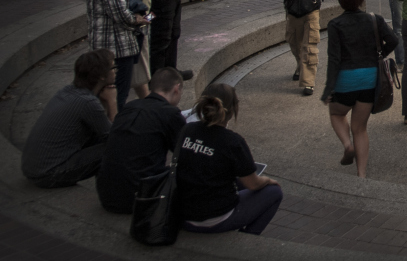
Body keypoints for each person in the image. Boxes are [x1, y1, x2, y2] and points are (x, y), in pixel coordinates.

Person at [178, 86, 283, 235]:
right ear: (232, 110)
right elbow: (253, 184)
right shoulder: (233, 142)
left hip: (183, 212)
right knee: (274, 192)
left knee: (237, 180)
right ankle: (248, 236)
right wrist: (267, 180)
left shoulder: (186, 130)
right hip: (214, 219)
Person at [320, 0, 396, 178]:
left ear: (340, 1)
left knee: (336, 114)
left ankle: (347, 145)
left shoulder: (335, 25)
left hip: (345, 80)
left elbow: (334, 59)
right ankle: (361, 175)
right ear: (362, 0)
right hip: (370, 79)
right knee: (360, 128)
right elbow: (394, 40)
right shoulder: (375, 20)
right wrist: (379, 56)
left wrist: (329, 89)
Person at [21, 49, 115, 188]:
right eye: (113, 68)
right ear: (101, 76)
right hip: (48, 174)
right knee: (115, 147)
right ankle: (111, 192)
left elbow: (101, 129)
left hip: (33, 168)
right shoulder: (88, 102)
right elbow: (115, 137)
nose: (115, 71)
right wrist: (112, 101)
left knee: (99, 138)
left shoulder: (67, 91)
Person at [96, 66, 184, 213]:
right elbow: (183, 153)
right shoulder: (171, 114)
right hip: (140, 197)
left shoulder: (130, 107)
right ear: (176, 88)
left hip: (106, 195)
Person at [86, 0, 151, 109]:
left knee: (103, 93)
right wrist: (137, 20)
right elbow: (120, 14)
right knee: (118, 95)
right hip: (118, 46)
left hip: (100, 42)